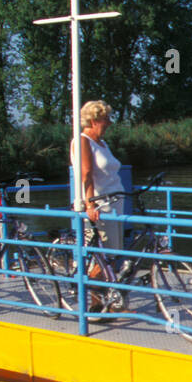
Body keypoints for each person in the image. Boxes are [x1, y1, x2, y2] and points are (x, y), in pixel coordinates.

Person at [73, 101, 124, 312]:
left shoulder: (102, 143)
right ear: (94, 120)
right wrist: (89, 204)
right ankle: (95, 304)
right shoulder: (83, 140)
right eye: (106, 119)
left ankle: (109, 302)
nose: (109, 123)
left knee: (114, 255)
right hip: (99, 207)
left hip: (115, 204)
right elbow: (85, 174)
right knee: (103, 258)